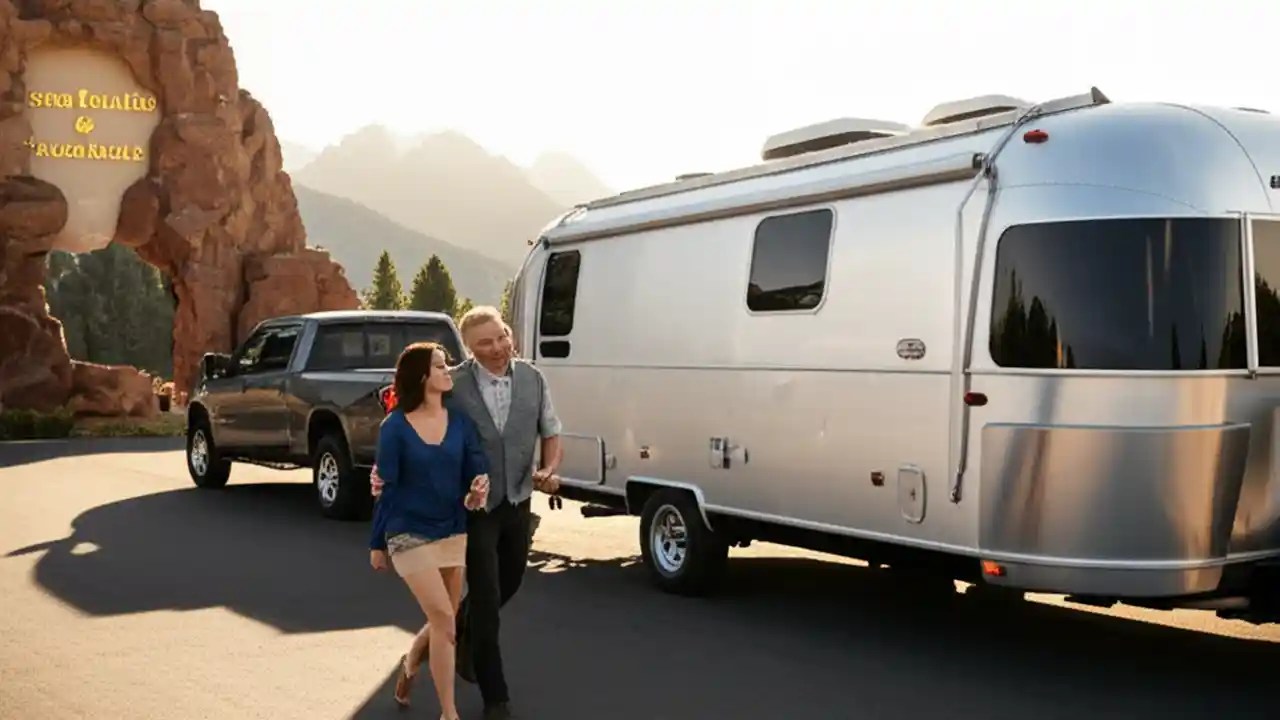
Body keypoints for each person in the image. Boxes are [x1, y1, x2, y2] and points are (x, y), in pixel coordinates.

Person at [373, 306, 562, 720]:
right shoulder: (452, 383)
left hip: (518, 501)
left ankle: (427, 645)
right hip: (471, 510)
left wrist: (548, 469)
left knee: (505, 584)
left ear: (509, 334)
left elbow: (551, 430)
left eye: (501, 338)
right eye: (485, 344)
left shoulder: (533, 378)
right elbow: (409, 414)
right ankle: (496, 697)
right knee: (487, 600)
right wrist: (385, 467)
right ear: (469, 350)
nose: (497, 348)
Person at [369, 341, 491, 720]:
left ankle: (410, 664)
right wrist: (377, 543)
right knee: (442, 617)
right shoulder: (395, 428)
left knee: (445, 622)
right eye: (440, 366)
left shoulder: (460, 424)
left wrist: (477, 488)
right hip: (407, 532)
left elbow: (477, 467)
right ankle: (449, 713)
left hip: (453, 529)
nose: (447, 371)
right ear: (423, 377)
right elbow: (384, 488)